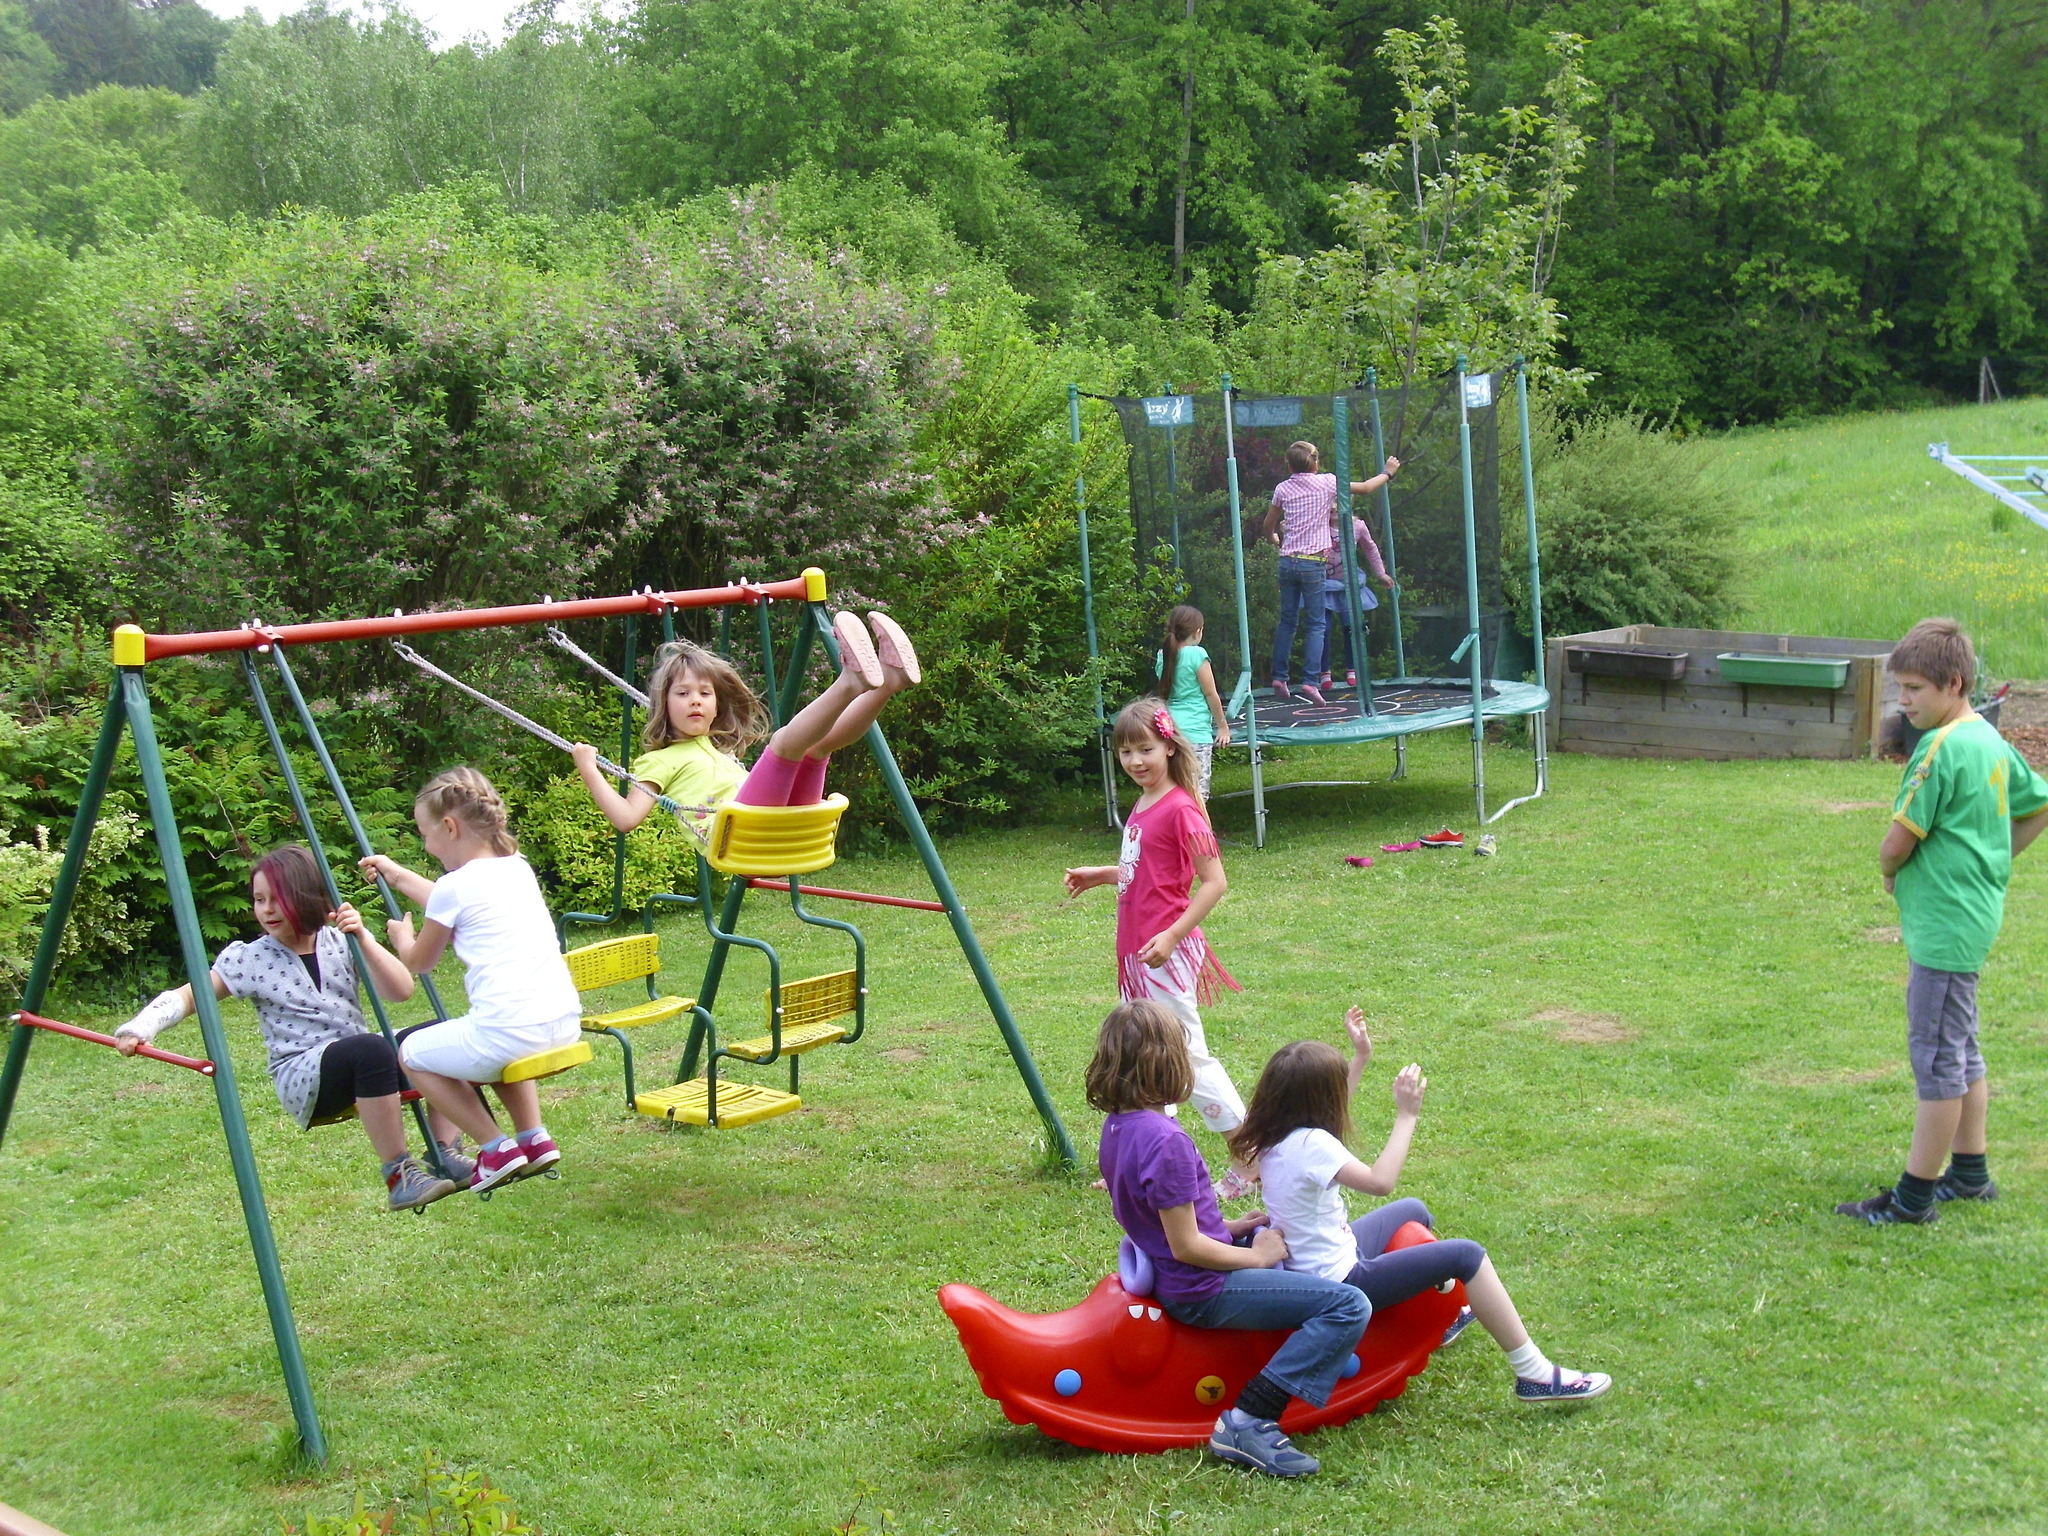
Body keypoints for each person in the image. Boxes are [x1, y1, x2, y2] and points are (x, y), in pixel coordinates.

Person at [1229, 1008, 1612, 1405]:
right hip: (1340, 1280)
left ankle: (1444, 1312)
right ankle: (1533, 1372)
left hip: (1320, 1258)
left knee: (1414, 1209)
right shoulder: (1312, 1145)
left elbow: (1326, 1114)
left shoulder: (1274, 1135)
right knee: (1468, 1255)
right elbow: (1381, 1182)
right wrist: (1406, 1115)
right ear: (1320, 1099)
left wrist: (1360, 1056)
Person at [1089, 999, 1368, 1478]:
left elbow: (1163, 1220)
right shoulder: (1165, 1141)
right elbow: (1187, 1246)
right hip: (1203, 1289)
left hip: (1182, 1273)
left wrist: (1234, 1229)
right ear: (1168, 1061)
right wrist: (1257, 1257)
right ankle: (1249, 1421)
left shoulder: (1119, 1127)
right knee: (1349, 1305)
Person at [1836, 618, 2048, 1225]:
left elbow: (1899, 839)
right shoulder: (1986, 735)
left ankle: (1913, 1199)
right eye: (1899, 689)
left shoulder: (1938, 748)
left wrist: (1886, 867)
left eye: (1912, 689)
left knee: (1936, 1059)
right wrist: (1996, 857)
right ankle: (1971, 1174)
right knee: (1962, 1048)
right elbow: (2039, 804)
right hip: (1971, 917)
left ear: (1952, 683)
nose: (1903, 701)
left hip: (1945, 927)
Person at [113, 844, 455, 1212]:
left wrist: (365, 940)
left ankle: (446, 1151)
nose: (267, 910)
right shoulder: (251, 958)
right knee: (370, 1050)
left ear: (306, 896)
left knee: (438, 1035)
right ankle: (399, 1174)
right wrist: (143, 1024)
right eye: (259, 900)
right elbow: (190, 996)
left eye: (277, 899)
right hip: (306, 1075)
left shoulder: (340, 940)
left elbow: (401, 991)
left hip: (361, 1059)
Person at [362, 768, 583, 1197]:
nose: (425, 846)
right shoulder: (515, 868)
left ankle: (495, 1148)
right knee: (489, 1041)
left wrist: (401, 938)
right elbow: (455, 901)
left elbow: (419, 962)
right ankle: (533, 1137)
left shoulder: (455, 886)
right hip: (562, 1023)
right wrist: (396, 873)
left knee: (412, 1054)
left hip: (510, 1033)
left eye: (425, 835)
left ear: (449, 827)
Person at [1064, 698, 1253, 1195]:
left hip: (1164, 950)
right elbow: (1146, 869)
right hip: (1139, 952)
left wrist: (1171, 936)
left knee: (1185, 1056)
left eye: (1145, 749)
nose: (1135, 761)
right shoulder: (1146, 803)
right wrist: (1103, 875)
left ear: (1168, 746)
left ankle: (1249, 1152)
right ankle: (1147, 1159)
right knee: (1145, 1055)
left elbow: (1214, 881)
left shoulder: (1183, 809)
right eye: (1125, 752)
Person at [571, 611, 919, 837]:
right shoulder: (659, 761)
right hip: (745, 840)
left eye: (705, 693)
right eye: (682, 693)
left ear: (716, 704)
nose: (695, 700)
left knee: (818, 747)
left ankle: (890, 681)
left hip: (786, 833)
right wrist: (589, 768)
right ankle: (851, 681)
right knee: (784, 745)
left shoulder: (714, 750)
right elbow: (627, 819)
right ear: (664, 704)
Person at [1257, 441, 1400, 704]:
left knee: (1288, 621)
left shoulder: (1283, 488)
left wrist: (1274, 539)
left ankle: (1280, 677)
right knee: (1316, 623)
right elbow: (1367, 488)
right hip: (1313, 563)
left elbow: (1268, 524)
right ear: (1316, 463)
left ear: (1289, 465)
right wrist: (1388, 472)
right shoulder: (1327, 483)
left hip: (1287, 561)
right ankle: (1311, 682)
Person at [1156, 605, 1231, 799]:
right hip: (1196, 733)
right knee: (1197, 794)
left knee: (1173, 792)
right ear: (1198, 632)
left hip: (1170, 732)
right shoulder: (1197, 654)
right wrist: (1223, 727)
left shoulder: (1162, 655)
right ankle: (1196, 830)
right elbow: (1210, 694)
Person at [1317, 512, 1397, 693]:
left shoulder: (1357, 526)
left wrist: (1380, 573)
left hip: (1348, 584)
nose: (1334, 507)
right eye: (1330, 501)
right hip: (1323, 583)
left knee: (1351, 626)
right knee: (1322, 627)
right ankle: (1324, 671)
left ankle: (1352, 668)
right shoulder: (1318, 523)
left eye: (1338, 501)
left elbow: (1370, 548)